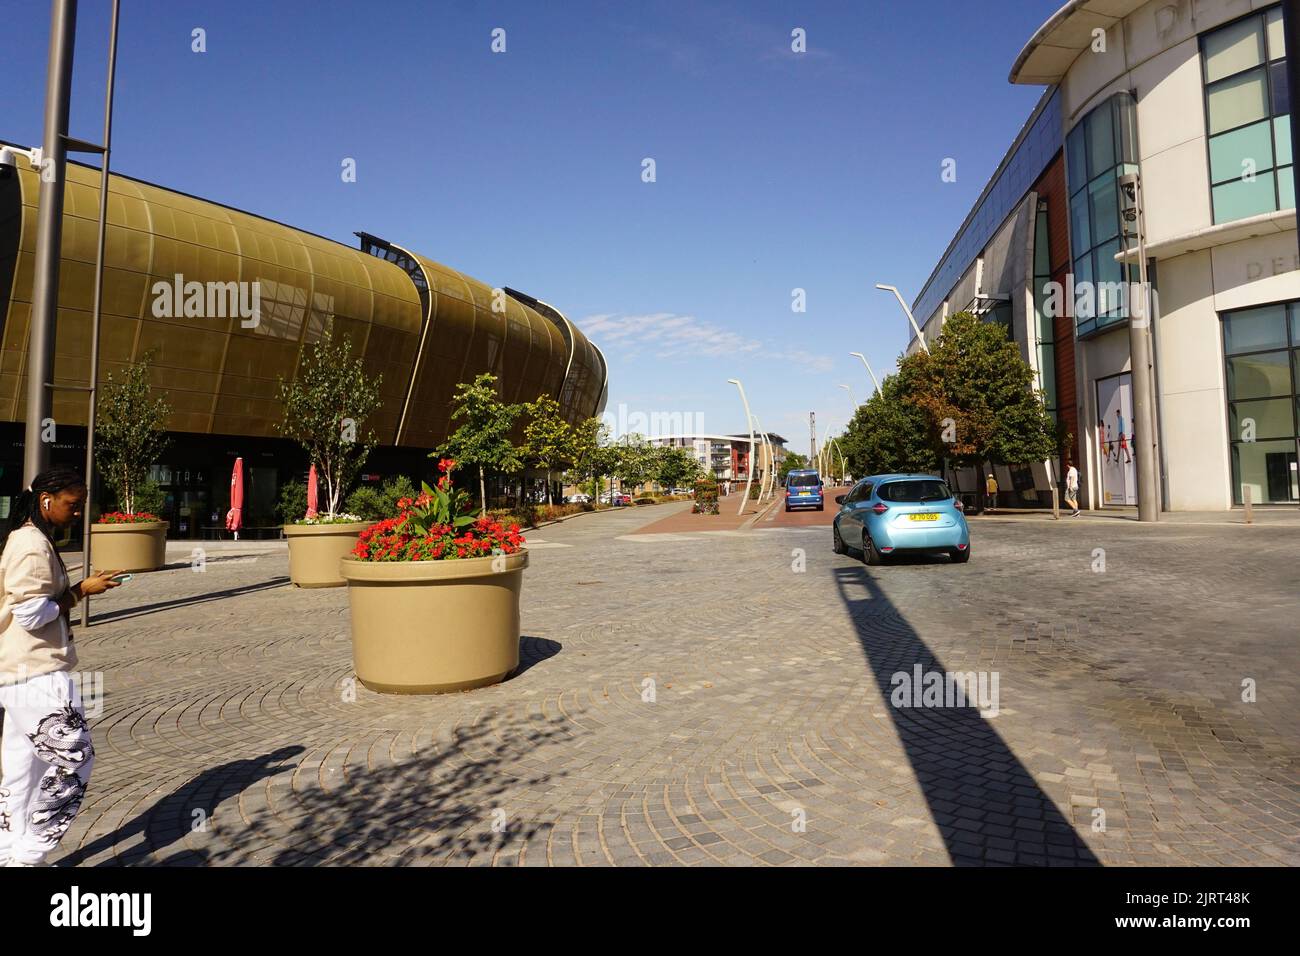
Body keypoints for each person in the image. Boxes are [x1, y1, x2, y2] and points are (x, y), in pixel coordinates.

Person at [0, 465, 121, 867]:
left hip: (17, 673)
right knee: (75, 759)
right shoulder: (31, 544)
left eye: (81, 505)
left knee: (23, 773)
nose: (77, 512)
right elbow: (32, 614)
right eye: (72, 504)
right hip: (36, 674)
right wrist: (81, 591)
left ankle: (9, 854)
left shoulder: (28, 539)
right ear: (45, 500)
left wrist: (77, 590)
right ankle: (30, 855)